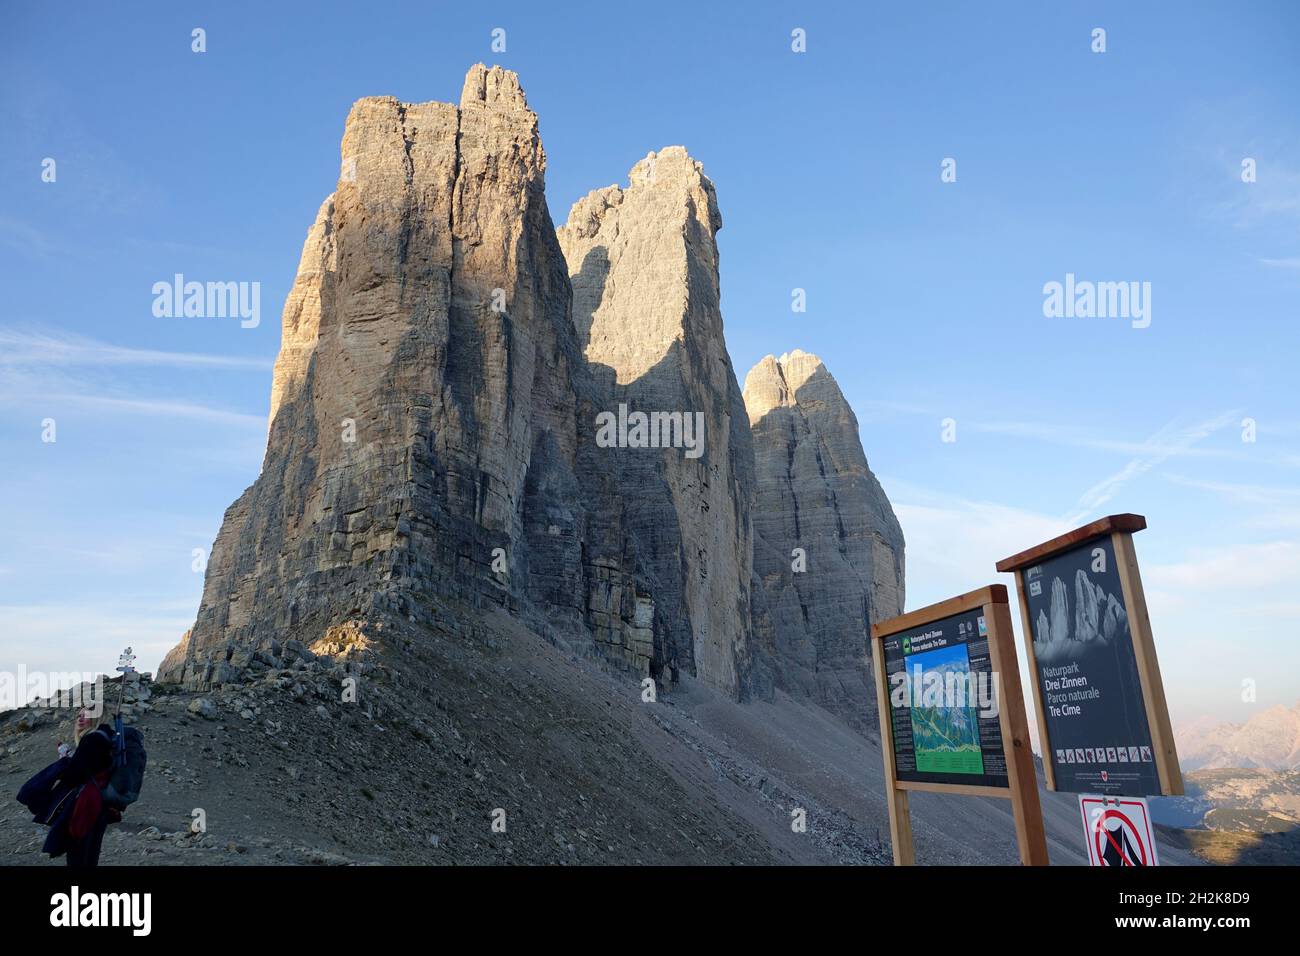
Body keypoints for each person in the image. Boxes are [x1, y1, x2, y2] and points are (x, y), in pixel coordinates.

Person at [57, 710, 119, 868]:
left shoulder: (92, 739)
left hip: (86, 805)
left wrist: (64, 762)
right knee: (90, 854)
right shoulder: (105, 738)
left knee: (78, 855)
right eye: (79, 715)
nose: (81, 718)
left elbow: (74, 776)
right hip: (100, 804)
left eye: (86, 715)